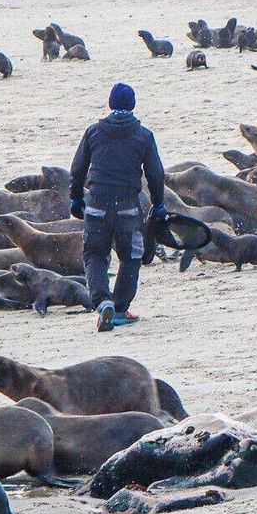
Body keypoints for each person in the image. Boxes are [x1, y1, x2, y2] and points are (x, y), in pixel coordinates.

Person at [69, 82, 167, 331]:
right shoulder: (143, 135)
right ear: (132, 105)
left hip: (97, 205)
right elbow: (156, 173)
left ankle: (102, 303)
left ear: (111, 104)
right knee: (131, 256)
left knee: (95, 255)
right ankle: (121, 309)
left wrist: (76, 199)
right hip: (127, 207)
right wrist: (158, 203)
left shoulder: (93, 132)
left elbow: (78, 169)